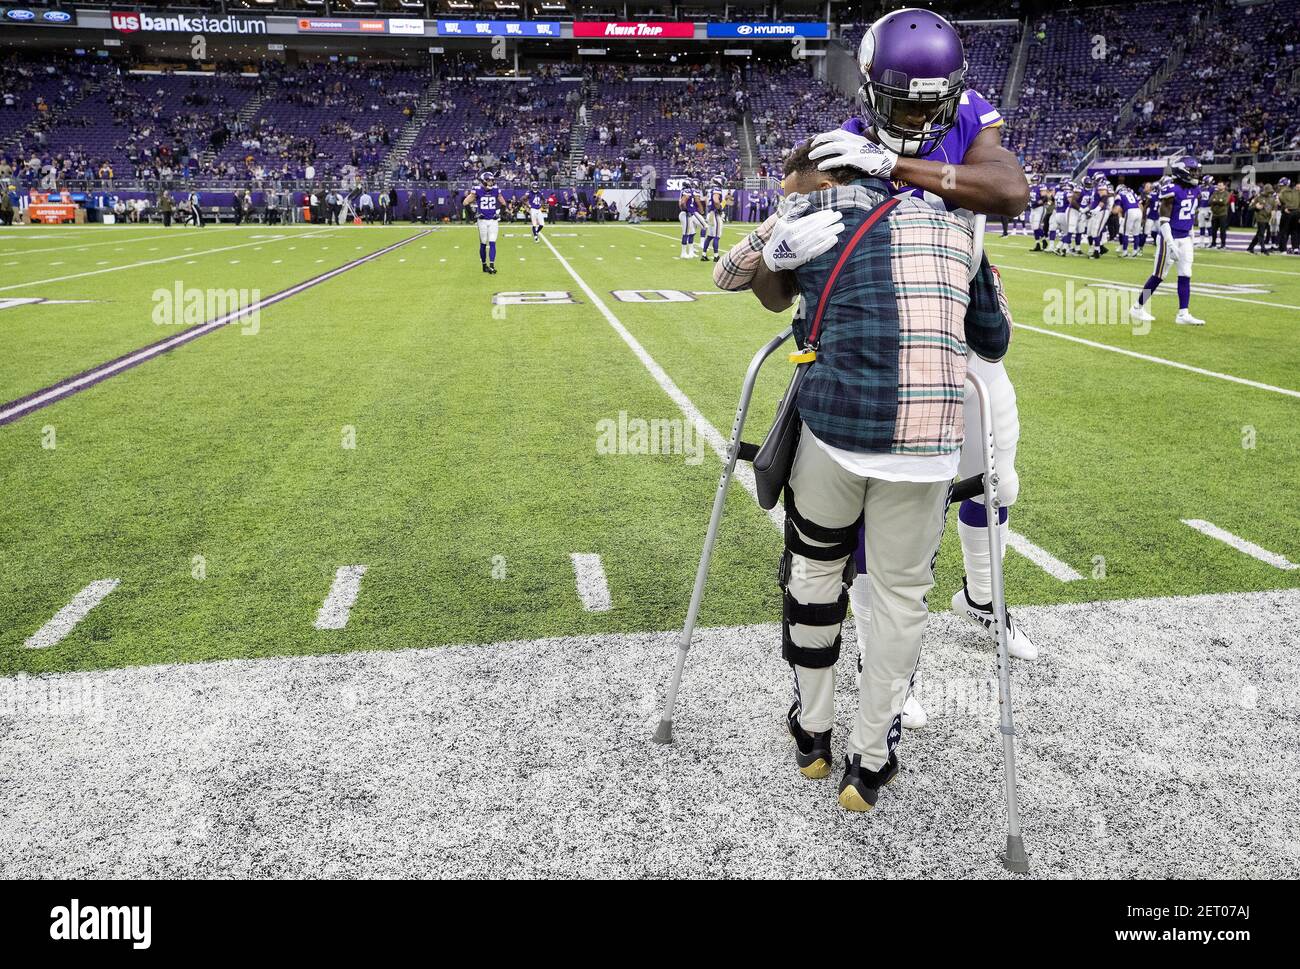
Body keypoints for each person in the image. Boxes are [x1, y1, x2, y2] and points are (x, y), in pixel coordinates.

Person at [714, 139, 1008, 811]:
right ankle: (870, 761)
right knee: (902, 596)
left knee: (816, 572)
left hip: (836, 432)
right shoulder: (955, 223)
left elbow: (726, 276)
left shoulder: (806, 215)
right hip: (928, 445)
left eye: (789, 179)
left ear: (815, 175)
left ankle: (813, 734)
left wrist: (773, 239)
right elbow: (994, 338)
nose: (784, 189)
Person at [804, 7, 1036, 730]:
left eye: (928, 102)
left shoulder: (966, 113)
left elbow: (1009, 189)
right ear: (871, 92)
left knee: (1000, 479)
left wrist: (896, 166)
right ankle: (885, 665)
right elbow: (796, 188)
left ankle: (982, 597)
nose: (914, 113)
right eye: (899, 102)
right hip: (884, 346)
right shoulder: (840, 141)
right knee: (889, 505)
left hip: (962, 325)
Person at [1130, 157, 1206, 325]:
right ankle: (1137, 308)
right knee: (1159, 275)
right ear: (1182, 172)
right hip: (1168, 237)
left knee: (1186, 273)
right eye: (1193, 171)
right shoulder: (1171, 190)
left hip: (1185, 237)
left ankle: (1183, 313)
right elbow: (1164, 221)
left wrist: (1191, 235)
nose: (1196, 174)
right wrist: (1171, 243)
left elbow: (1190, 215)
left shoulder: (1196, 190)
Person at [464, 170, 507, 274]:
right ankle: (484, 265)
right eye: (488, 181)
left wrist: (500, 213)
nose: (491, 183)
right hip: (482, 220)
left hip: (493, 220)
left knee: (492, 242)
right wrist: (473, 215)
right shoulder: (477, 190)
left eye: (492, 181)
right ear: (483, 181)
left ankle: (491, 266)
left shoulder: (496, 190)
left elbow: (503, 203)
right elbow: (465, 202)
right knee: (483, 243)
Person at [1247, 183, 1276, 256]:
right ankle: (1263, 249)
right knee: (1261, 234)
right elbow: (1250, 208)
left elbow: (1274, 208)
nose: (1269, 193)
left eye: (1270, 192)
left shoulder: (1272, 198)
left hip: (1268, 218)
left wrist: (1273, 214)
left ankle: (1250, 248)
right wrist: (1256, 207)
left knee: (1259, 234)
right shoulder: (1258, 197)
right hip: (1260, 218)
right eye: (1268, 191)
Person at [1209, 180, 1231, 249]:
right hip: (1215, 214)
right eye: (1218, 185)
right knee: (1214, 230)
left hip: (1222, 214)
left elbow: (1224, 202)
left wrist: (1215, 201)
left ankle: (1223, 244)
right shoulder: (1215, 193)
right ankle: (1213, 243)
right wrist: (1219, 200)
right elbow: (1210, 201)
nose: (1219, 186)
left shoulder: (1227, 193)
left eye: (1221, 185)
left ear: (1224, 186)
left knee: (1222, 230)